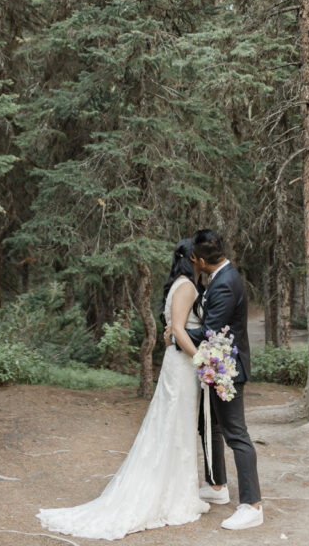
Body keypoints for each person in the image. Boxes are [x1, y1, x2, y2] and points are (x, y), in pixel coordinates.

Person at [36, 238, 209, 540]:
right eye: (202, 252)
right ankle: (169, 497)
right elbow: (179, 331)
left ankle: (177, 492)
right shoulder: (185, 287)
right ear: (193, 258)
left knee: (176, 429)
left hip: (178, 365)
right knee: (174, 428)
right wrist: (202, 361)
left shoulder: (182, 285)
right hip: (182, 366)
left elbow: (173, 330)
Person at [180, 228, 263, 530]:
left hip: (228, 369)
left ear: (201, 261)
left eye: (195, 259)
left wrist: (176, 335)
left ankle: (252, 506)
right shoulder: (219, 277)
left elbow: (210, 331)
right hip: (215, 366)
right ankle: (217, 486)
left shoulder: (226, 282)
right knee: (211, 426)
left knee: (236, 434)